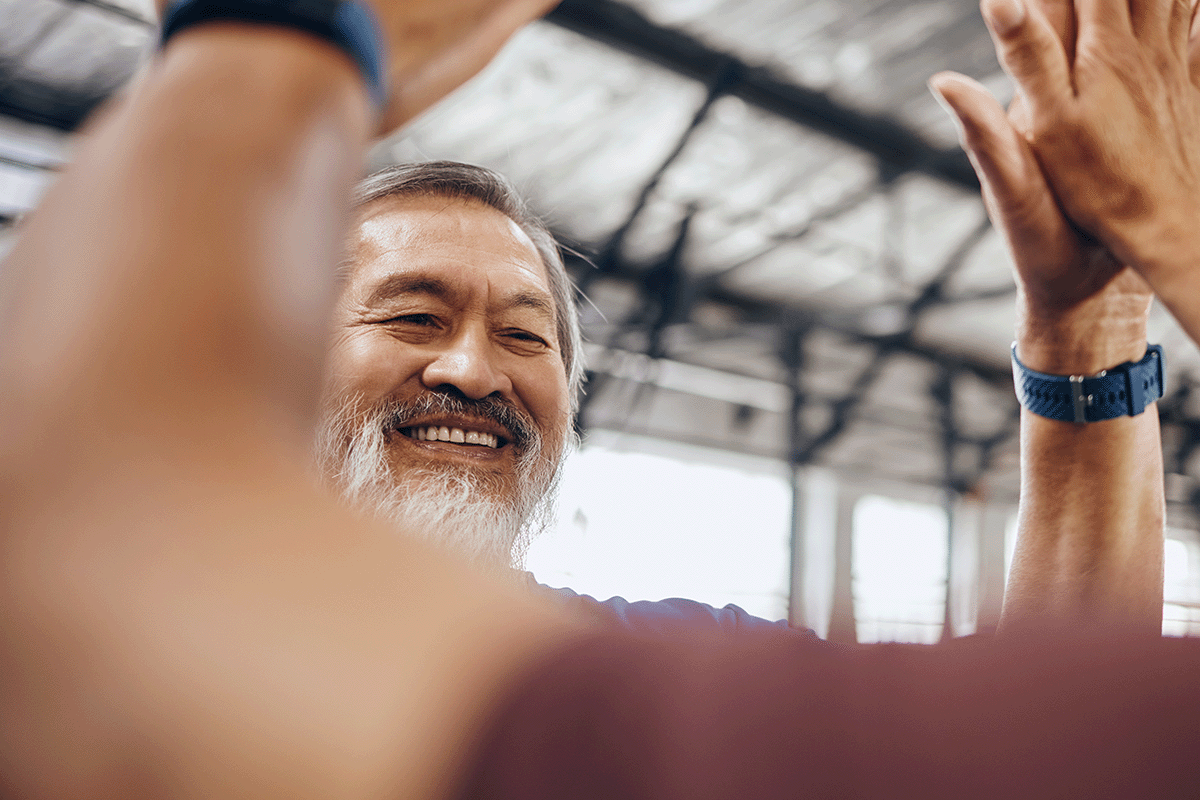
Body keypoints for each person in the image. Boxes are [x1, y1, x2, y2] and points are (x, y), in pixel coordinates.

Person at [1, 0, 1197, 798]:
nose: (474, 370)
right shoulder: (92, 685)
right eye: (413, 316)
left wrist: (1092, 333)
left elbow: (1041, 748)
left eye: (525, 335)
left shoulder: (646, 659)